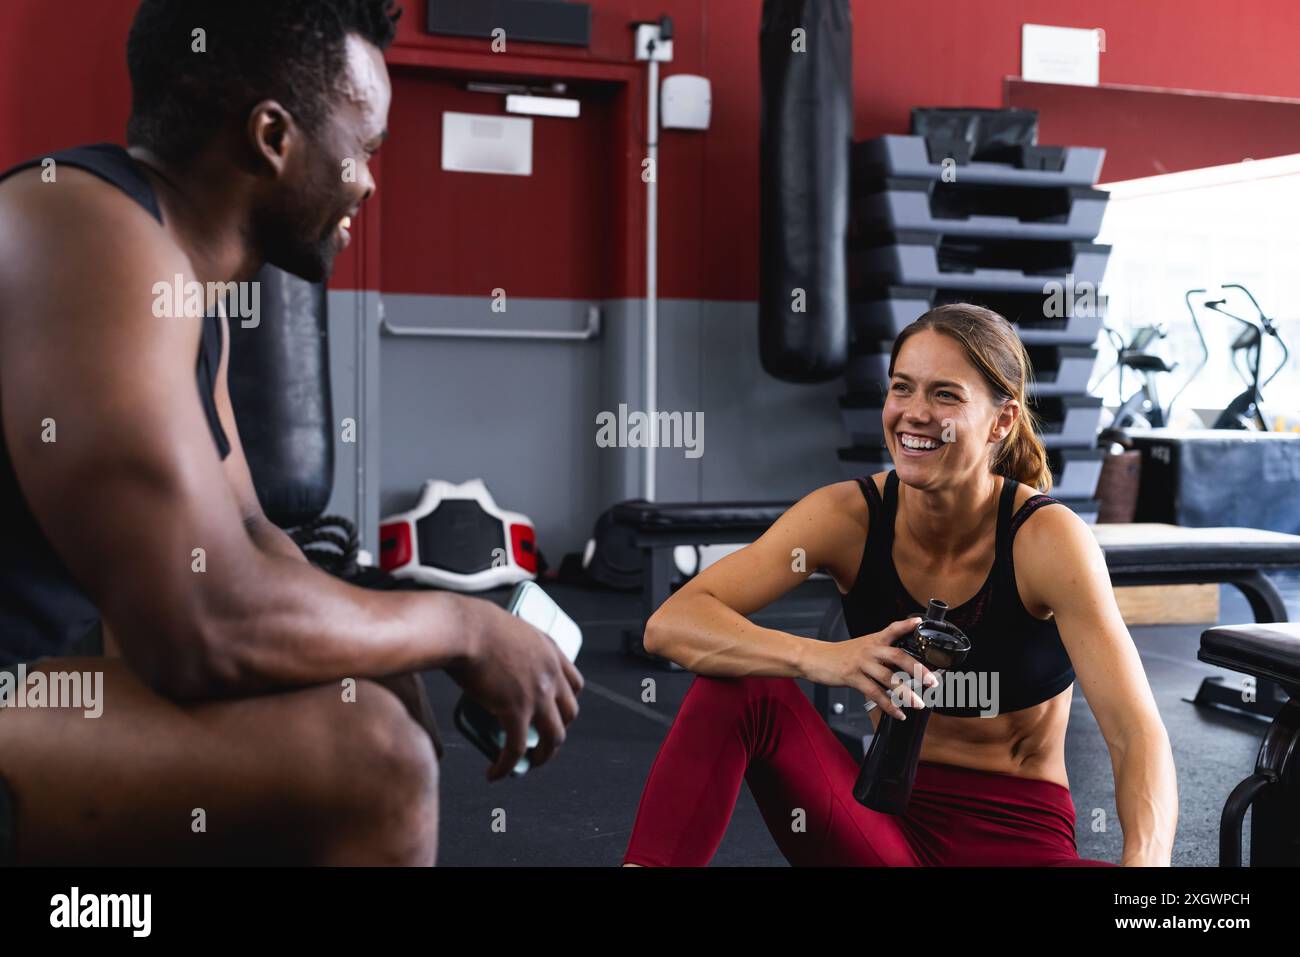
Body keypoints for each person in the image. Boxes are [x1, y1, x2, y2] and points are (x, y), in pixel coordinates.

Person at [0, 0, 581, 866]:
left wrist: (380, 648)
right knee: (368, 761)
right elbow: (206, 621)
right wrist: (460, 625)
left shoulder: (192, 296)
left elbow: (246, 537)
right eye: (366, 147)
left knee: (361, 691)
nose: (370, 184)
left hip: (30, 688)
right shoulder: (84, 234)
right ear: (273, 136)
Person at [623, 304, 1177, 867]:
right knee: (741, 686)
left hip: (1015, 842)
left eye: (945, 395)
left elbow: (1137, 736)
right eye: (902, 388)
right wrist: (824, 658)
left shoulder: (1047, 541)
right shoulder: (847, 517)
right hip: (879, 831)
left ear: (1002, 421)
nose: (914, 414)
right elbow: (669, 626)